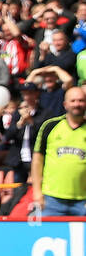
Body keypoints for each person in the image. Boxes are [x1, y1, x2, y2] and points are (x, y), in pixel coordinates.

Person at [31, 86, 86, 215]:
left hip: (82, 201)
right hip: (51, 200)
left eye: (81, 100)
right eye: (73, 101)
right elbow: (37, 161)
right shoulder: (50, 126)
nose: (77, 104)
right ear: (65, 104)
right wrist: (37, 193)